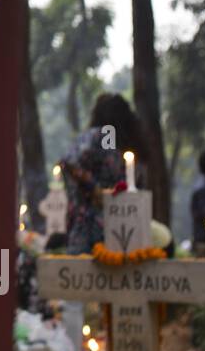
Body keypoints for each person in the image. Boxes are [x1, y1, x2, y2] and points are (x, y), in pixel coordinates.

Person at [59, 93, 145, 256]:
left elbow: (69, 161)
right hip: (103, 228)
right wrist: (95, 189)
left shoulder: (118, 143)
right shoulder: (105, 136)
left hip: (114, 228)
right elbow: (69, 162)